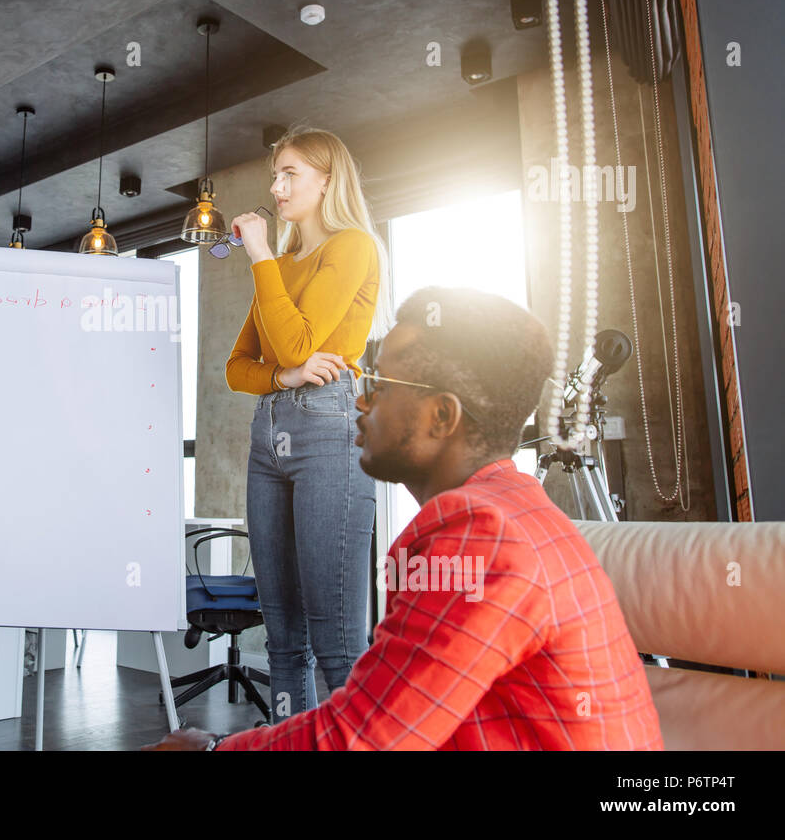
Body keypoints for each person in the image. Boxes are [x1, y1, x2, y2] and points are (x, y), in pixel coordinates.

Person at [148, 287, 663, 750]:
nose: (360, 397)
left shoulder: (478, 531)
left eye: (379, 381)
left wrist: (211, 751)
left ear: (442, 416)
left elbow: (364, 739)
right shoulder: (518, 504)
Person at [224, 125, 387, 721]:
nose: (276, 185)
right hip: (268, 432)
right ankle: (291, 737)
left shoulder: (352, 247)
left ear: (327, 180)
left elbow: (294, 344)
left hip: (327, 432)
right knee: (283, 639)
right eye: (275, 174)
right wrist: (284, 380)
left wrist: (262, 255)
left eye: (289, 173)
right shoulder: (285, 265)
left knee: (337, 640)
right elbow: (237, 369)